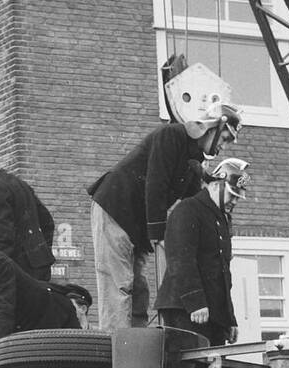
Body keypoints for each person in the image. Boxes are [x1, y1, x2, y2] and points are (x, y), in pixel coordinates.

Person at [87, 106, 241, 332]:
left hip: (136, 223)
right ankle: (116, 354)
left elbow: (193, 205)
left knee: (138, 288)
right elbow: (155, 184)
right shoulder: (171, 136)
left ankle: (136, 348)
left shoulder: (193, 160)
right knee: (117, 285)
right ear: (211, 128)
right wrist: (159, 235)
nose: (222, 147)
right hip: (116, 207)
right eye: (225, 139)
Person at [154, 157, 250, 345]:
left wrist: (228, 319)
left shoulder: (220, 218)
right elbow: (181, 260)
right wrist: (195, 301)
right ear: (215, 185)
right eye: (232, 195)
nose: (235, 202)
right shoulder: (188, 209)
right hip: (186, 309)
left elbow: (223, 274)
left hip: (209, 313)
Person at [0, 142, 56, 281]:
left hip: (17, 269)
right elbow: (47, 222)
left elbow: (2, 237)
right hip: (40, 264)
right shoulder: (19, 184)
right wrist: (40, 249)